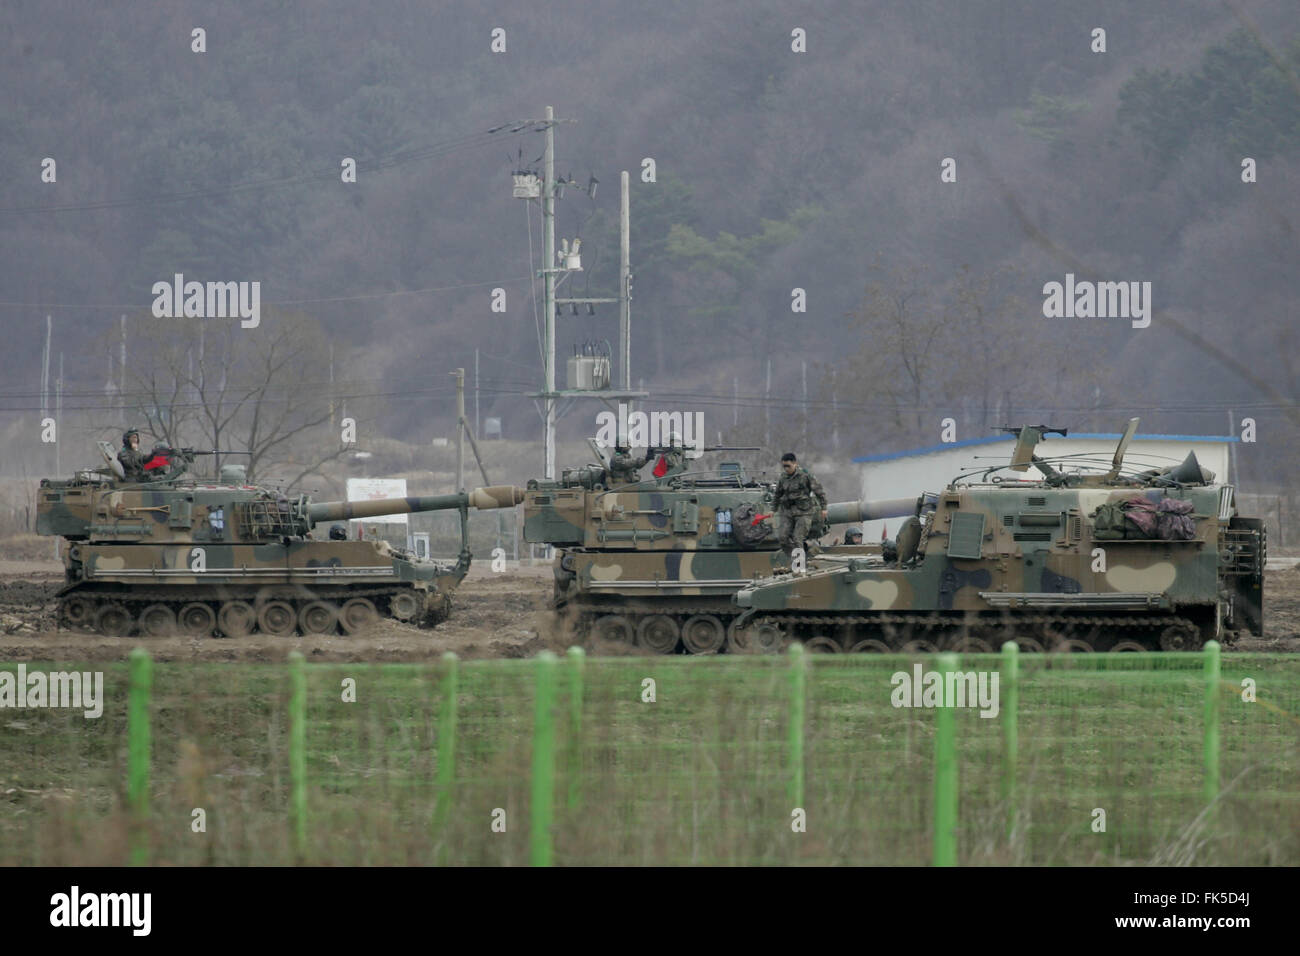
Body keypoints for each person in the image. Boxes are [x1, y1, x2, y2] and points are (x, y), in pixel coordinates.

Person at [772, 452, 827, 566]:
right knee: (782, 538)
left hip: (804, 512)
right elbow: (777, 494)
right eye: (784, 466)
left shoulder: (805, 476)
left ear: (795, 464)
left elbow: (819, 492)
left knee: (798, 538)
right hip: (788, 512)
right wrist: (773, 509)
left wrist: (824, 508)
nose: (786, 469)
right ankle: (798, 557)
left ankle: (799, 566)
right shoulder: (783, 478)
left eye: (788, 466)